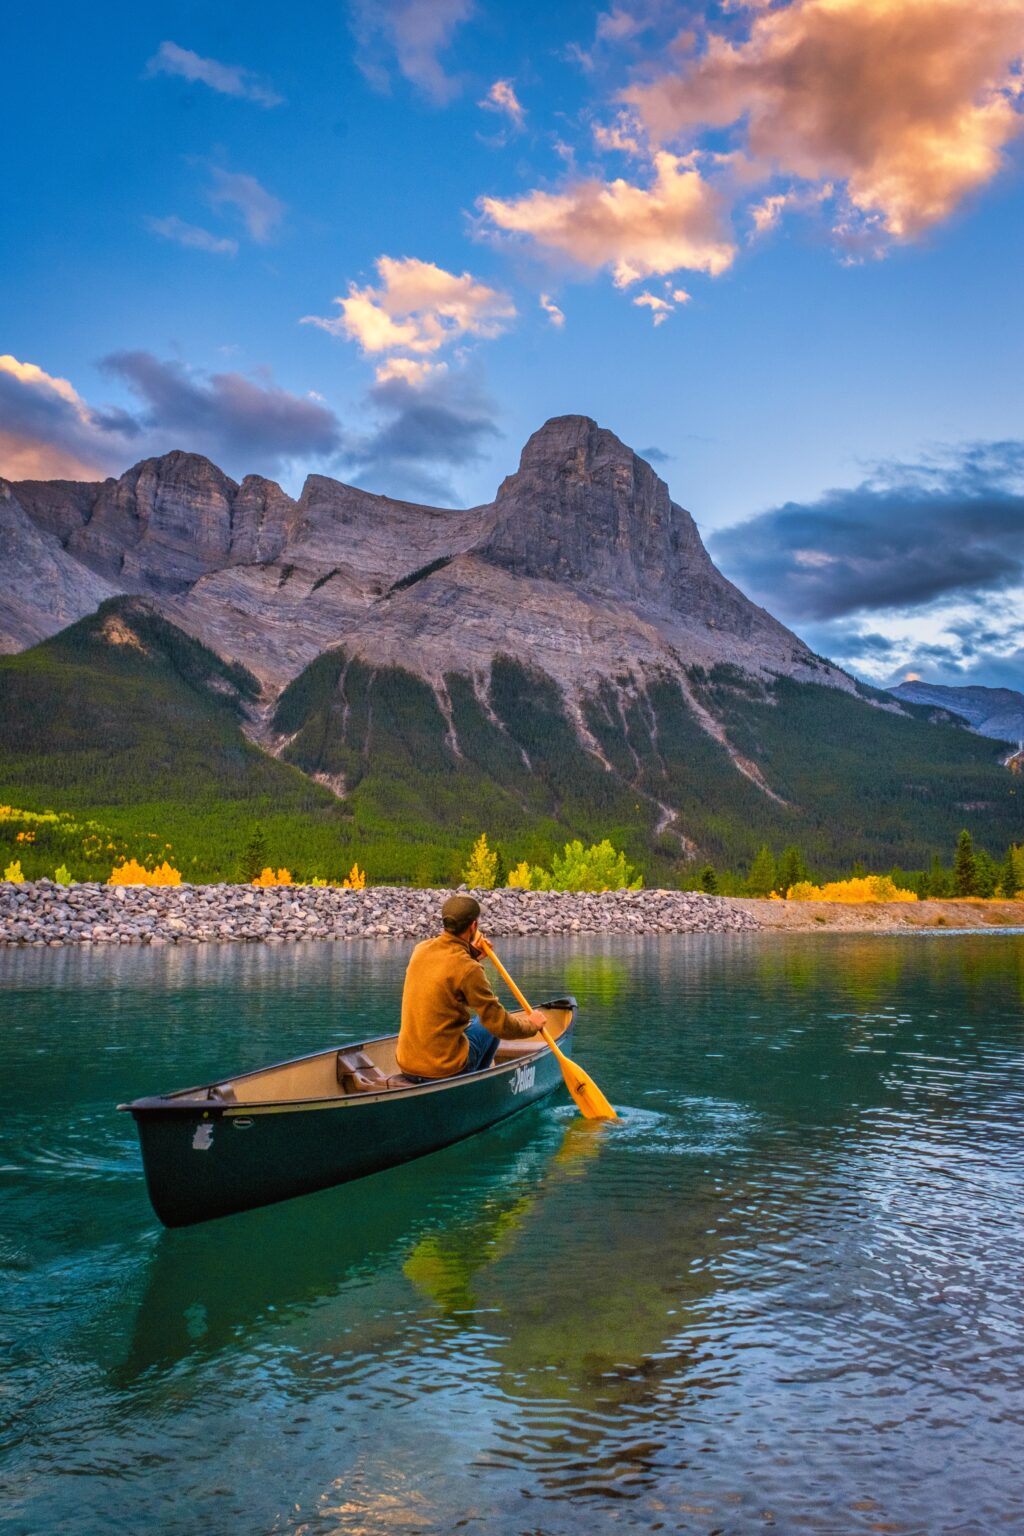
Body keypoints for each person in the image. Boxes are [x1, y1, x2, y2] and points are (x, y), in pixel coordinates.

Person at [397, 895, 547, 1081]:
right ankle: (475, 1081)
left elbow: (449, 973)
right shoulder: (468, 969)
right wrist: (532, 1025)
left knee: (478, 1025)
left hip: (406, 1063)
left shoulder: (421, 949)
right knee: (487, 1025)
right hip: (444, 1069)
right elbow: (499, 1024)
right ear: (473, 927)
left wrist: (472, 954)